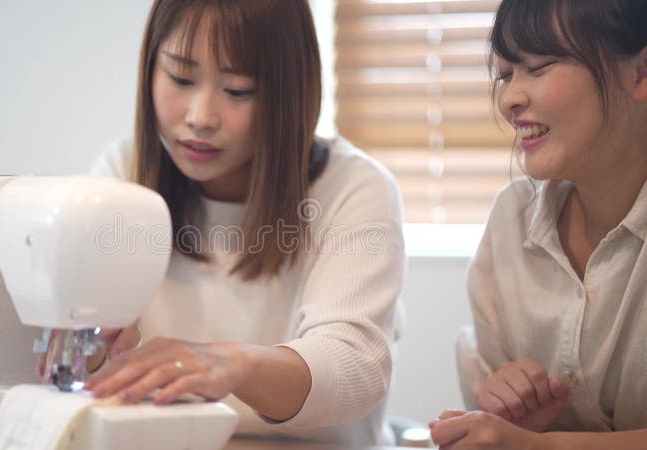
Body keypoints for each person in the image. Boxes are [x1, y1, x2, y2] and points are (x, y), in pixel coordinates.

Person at [45, 0, 405, 445]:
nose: (200, 117)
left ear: (289, 91)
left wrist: (234, 365)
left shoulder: (352, 187)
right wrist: (95, 353)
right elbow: (84, 357)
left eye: (236, 90)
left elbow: (355, 368)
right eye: (180, 77)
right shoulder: (124, 174)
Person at [429, 0, 647, 449]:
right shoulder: (512, 220)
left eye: (540, 66)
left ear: (640, 74)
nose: (510, 98)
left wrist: (539, 446)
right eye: (506, 74)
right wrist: (510, 417)